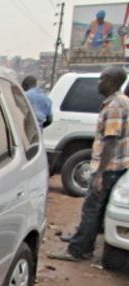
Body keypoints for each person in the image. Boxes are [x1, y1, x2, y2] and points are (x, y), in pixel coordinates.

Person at [49, 66, 129, 262]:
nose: (98, 83)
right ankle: (83, 241)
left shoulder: (115, 106)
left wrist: (100, 173)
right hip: (116, 165)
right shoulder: (120, 101)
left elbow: (111, 140)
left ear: (112, 81)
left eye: (102, 79)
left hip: (109, 167)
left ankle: (78, 250)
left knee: (91, 207)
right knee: (96, 208)